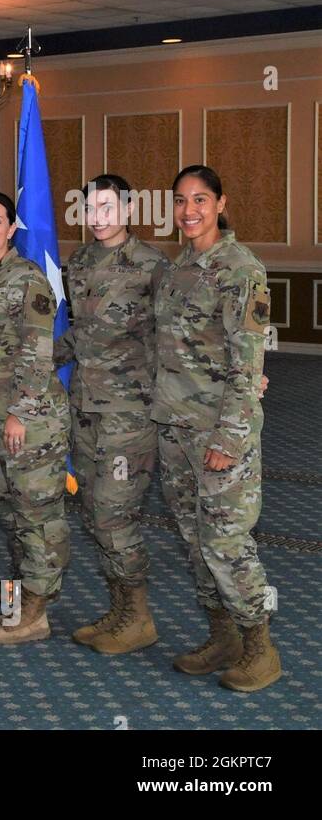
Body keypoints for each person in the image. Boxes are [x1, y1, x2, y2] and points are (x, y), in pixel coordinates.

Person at [153, 165, 280, 691]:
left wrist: (229, 440)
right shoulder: (179, 266)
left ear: (221, 204)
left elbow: (248, 365)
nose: (189, 211)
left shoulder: (240, 269)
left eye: (200, 200)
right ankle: (223, 636)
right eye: (181, 201)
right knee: (195, 540)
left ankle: (260, 648)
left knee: (227, 541)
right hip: (177, 429)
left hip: (220, 434)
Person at [55, 175, 170, 654]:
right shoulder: (79, 262)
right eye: (90, 208)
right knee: (93, 510)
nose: (98, 217)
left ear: (128, 208)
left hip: (130, 413)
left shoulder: (152, 266)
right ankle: (122, 609)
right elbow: (80, 334)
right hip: (86, 408)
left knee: (114, 513)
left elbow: (174, 335)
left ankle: (139, 616)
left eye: (107, 207)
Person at [0, 193, 70, 644]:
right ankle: (28, 596)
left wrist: (19, 411)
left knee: (35, 515)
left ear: (10, 229)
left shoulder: (27, 278)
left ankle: (36, 614)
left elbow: (38, 349)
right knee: (13, 513)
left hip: (28, 421)